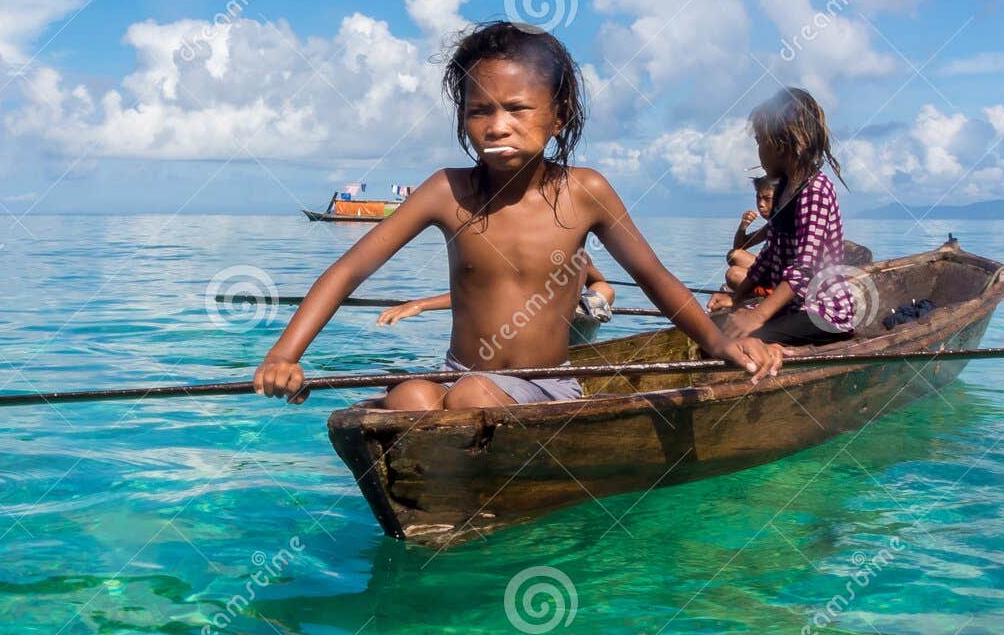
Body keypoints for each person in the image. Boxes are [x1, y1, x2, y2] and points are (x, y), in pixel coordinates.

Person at [253, 21, 783, 408]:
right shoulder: (446, 190)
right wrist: (285, 354)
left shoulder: (585, 191)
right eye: (479, 110)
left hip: (541, 386)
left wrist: (718, 341)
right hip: (459, 377)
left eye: (517, 109)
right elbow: (348, 271)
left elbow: (653, 278)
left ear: (558, 117)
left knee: (472, 398)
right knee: (413, 397)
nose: (497, 125)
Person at [708, 88, 855, 348]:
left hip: (823, 313)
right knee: (718, 328)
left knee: (746, 340)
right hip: (792, 309)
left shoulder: (815, 190)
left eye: (759, 141)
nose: (759, 151)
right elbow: (767, 257)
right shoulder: (783, 190)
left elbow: (805, 267)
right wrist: (736, 297)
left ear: (781, 143)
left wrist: (759, 314)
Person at [375, 254, 616, 344]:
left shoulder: (579, 257)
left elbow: (600, 282)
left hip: (578, 313)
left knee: (604, 290)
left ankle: (591, 305)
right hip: (549, 319)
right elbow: (481, 296)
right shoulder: (525, 268)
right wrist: (419, 305)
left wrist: (596, 295)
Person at [724, 174, 779, 292]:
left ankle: (765, 292)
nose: (761, 204)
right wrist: (743, 226)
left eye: (767, 199)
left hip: (781, 276)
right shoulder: (771, 224)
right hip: (770, 270)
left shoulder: (783, 221)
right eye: (758, 198)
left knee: (733, 274)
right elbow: (740, 247)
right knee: (733, 255)